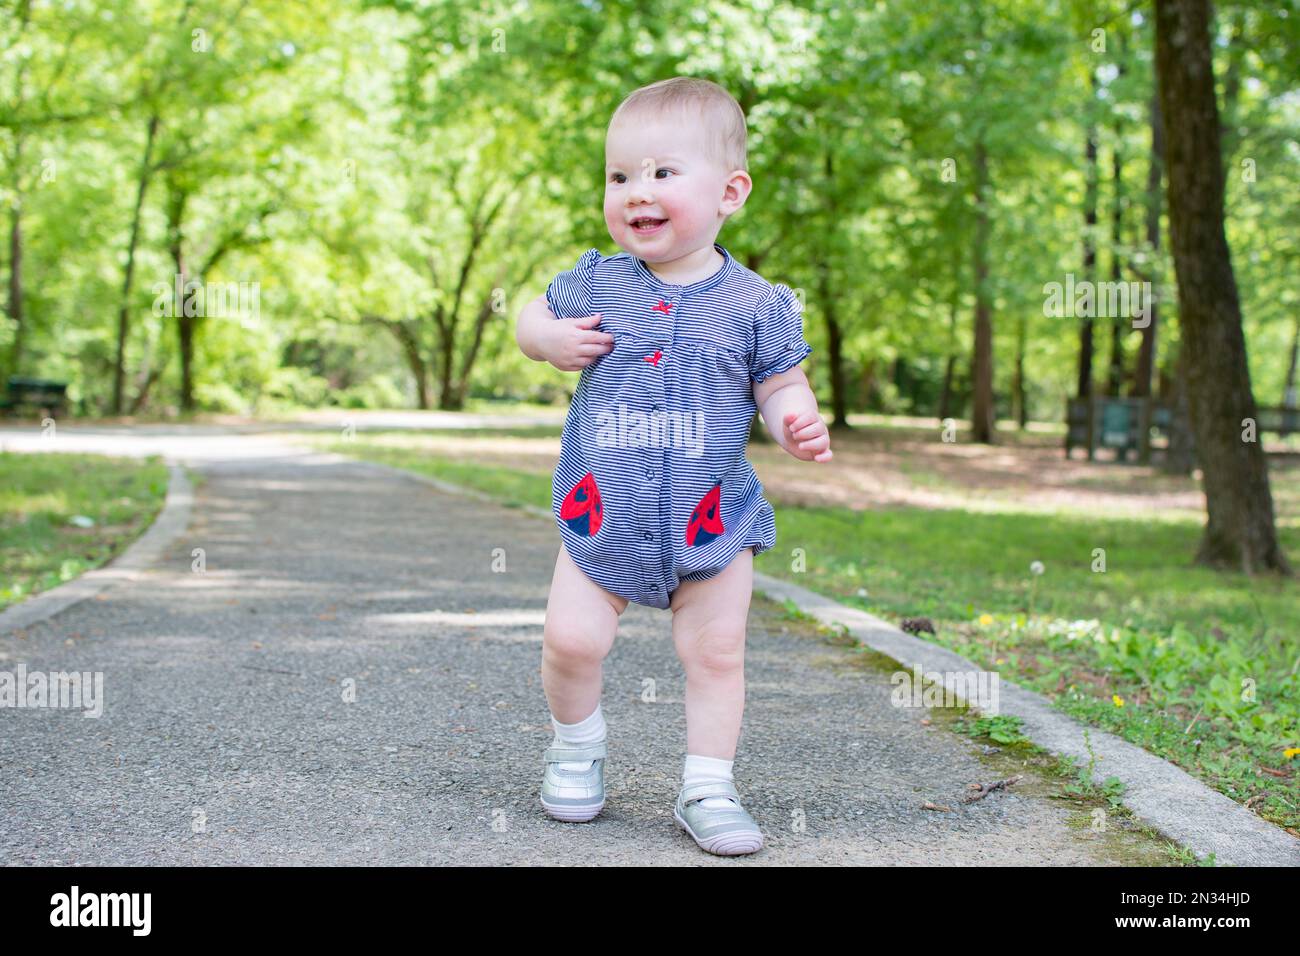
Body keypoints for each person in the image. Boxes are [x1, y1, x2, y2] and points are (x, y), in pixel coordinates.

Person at [515, 76, 832, 855]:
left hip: (712, 519)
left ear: (730, 192)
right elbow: (533, 314)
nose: (636, 193)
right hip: (603, 514)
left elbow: (781, 379)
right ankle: (576, 750)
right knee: (570, 641)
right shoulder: (596, 279)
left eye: (662, 173)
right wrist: (545, 340)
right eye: (619, 176)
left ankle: (707, 786)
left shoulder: (760, 303)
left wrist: (793, 417)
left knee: (717, 654)